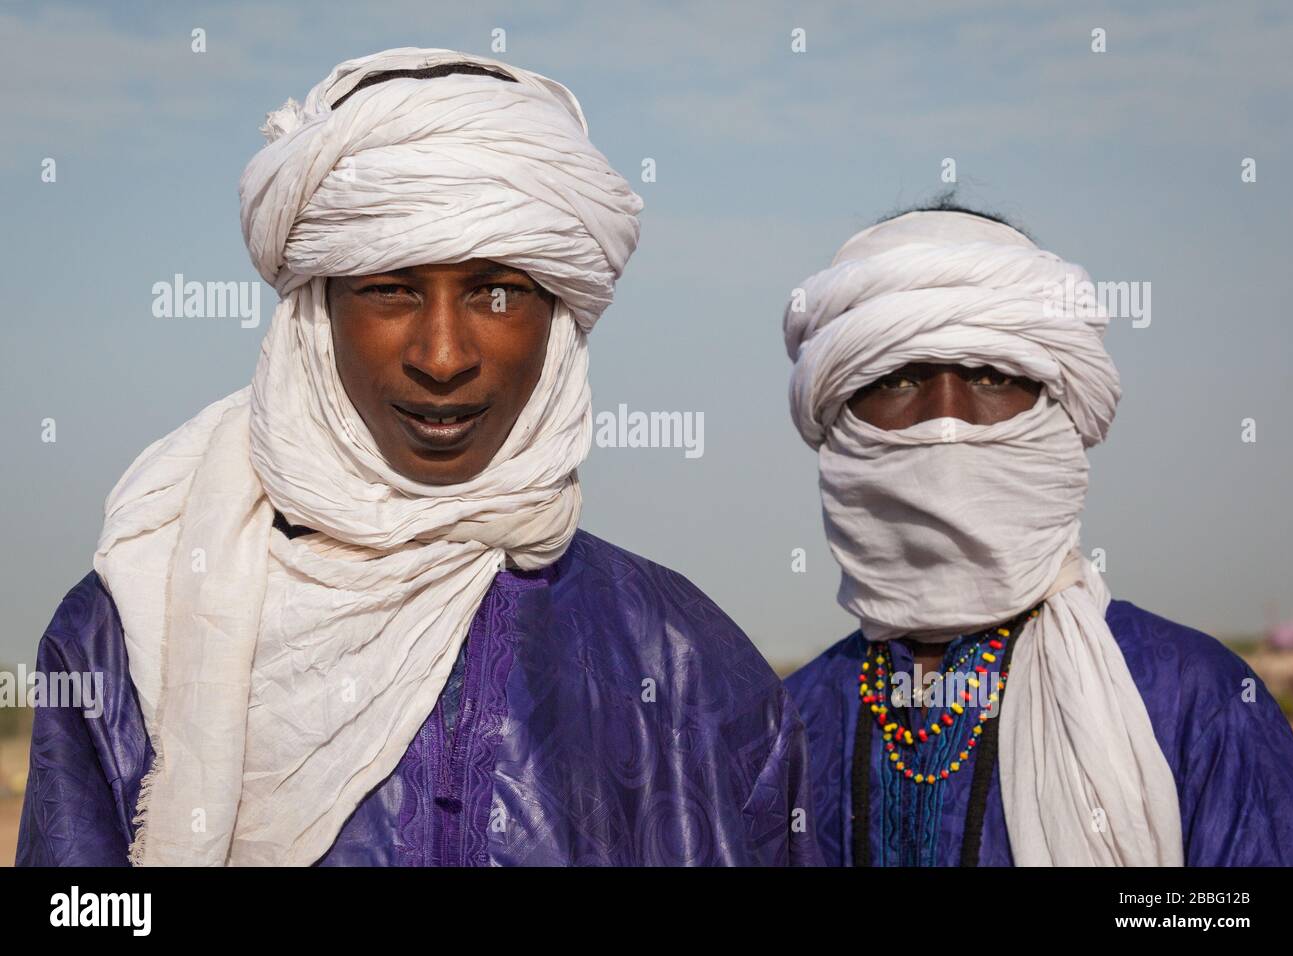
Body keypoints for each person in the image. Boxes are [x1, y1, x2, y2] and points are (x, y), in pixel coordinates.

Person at [17, 47, 818, 867]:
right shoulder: (132, 633)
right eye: (390, 288)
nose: (442, 356)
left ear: (558, 319)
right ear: (317, 315)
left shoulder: (682, 662)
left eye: (496, 292)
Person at [782, 199, 1293, 866]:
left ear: (1059, 415)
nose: (947, 422)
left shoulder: (1192, 700)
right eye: (899, 378)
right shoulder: (783, 729)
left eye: (992, 376)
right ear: (839, 423)